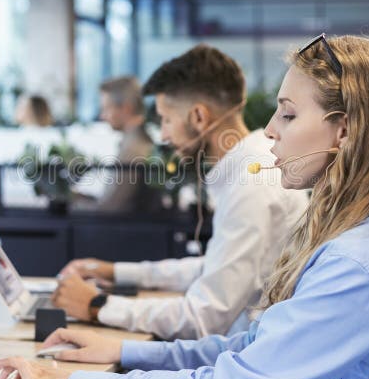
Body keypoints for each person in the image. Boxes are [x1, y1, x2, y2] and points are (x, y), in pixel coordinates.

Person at [0, 35, 369, 379]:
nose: (270, 130)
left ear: (344, 131)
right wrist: (127, 353)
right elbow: (251, 347)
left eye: (288, 114)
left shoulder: (356, 262)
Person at [52, 44, 308, 340]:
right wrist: (115, 272)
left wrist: (98, 305)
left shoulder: (252, 183)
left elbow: (203, 318)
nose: (162, 135)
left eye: (166, 119)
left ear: (199, 117)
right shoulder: (252, 165)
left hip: (241, 353)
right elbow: (216, 267)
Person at [76, 76, 161, 213]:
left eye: (106, 109)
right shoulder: (136, 140)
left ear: (126, 109)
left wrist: (72, 205)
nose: (102, 116)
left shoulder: (133, 148)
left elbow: (111, 209)